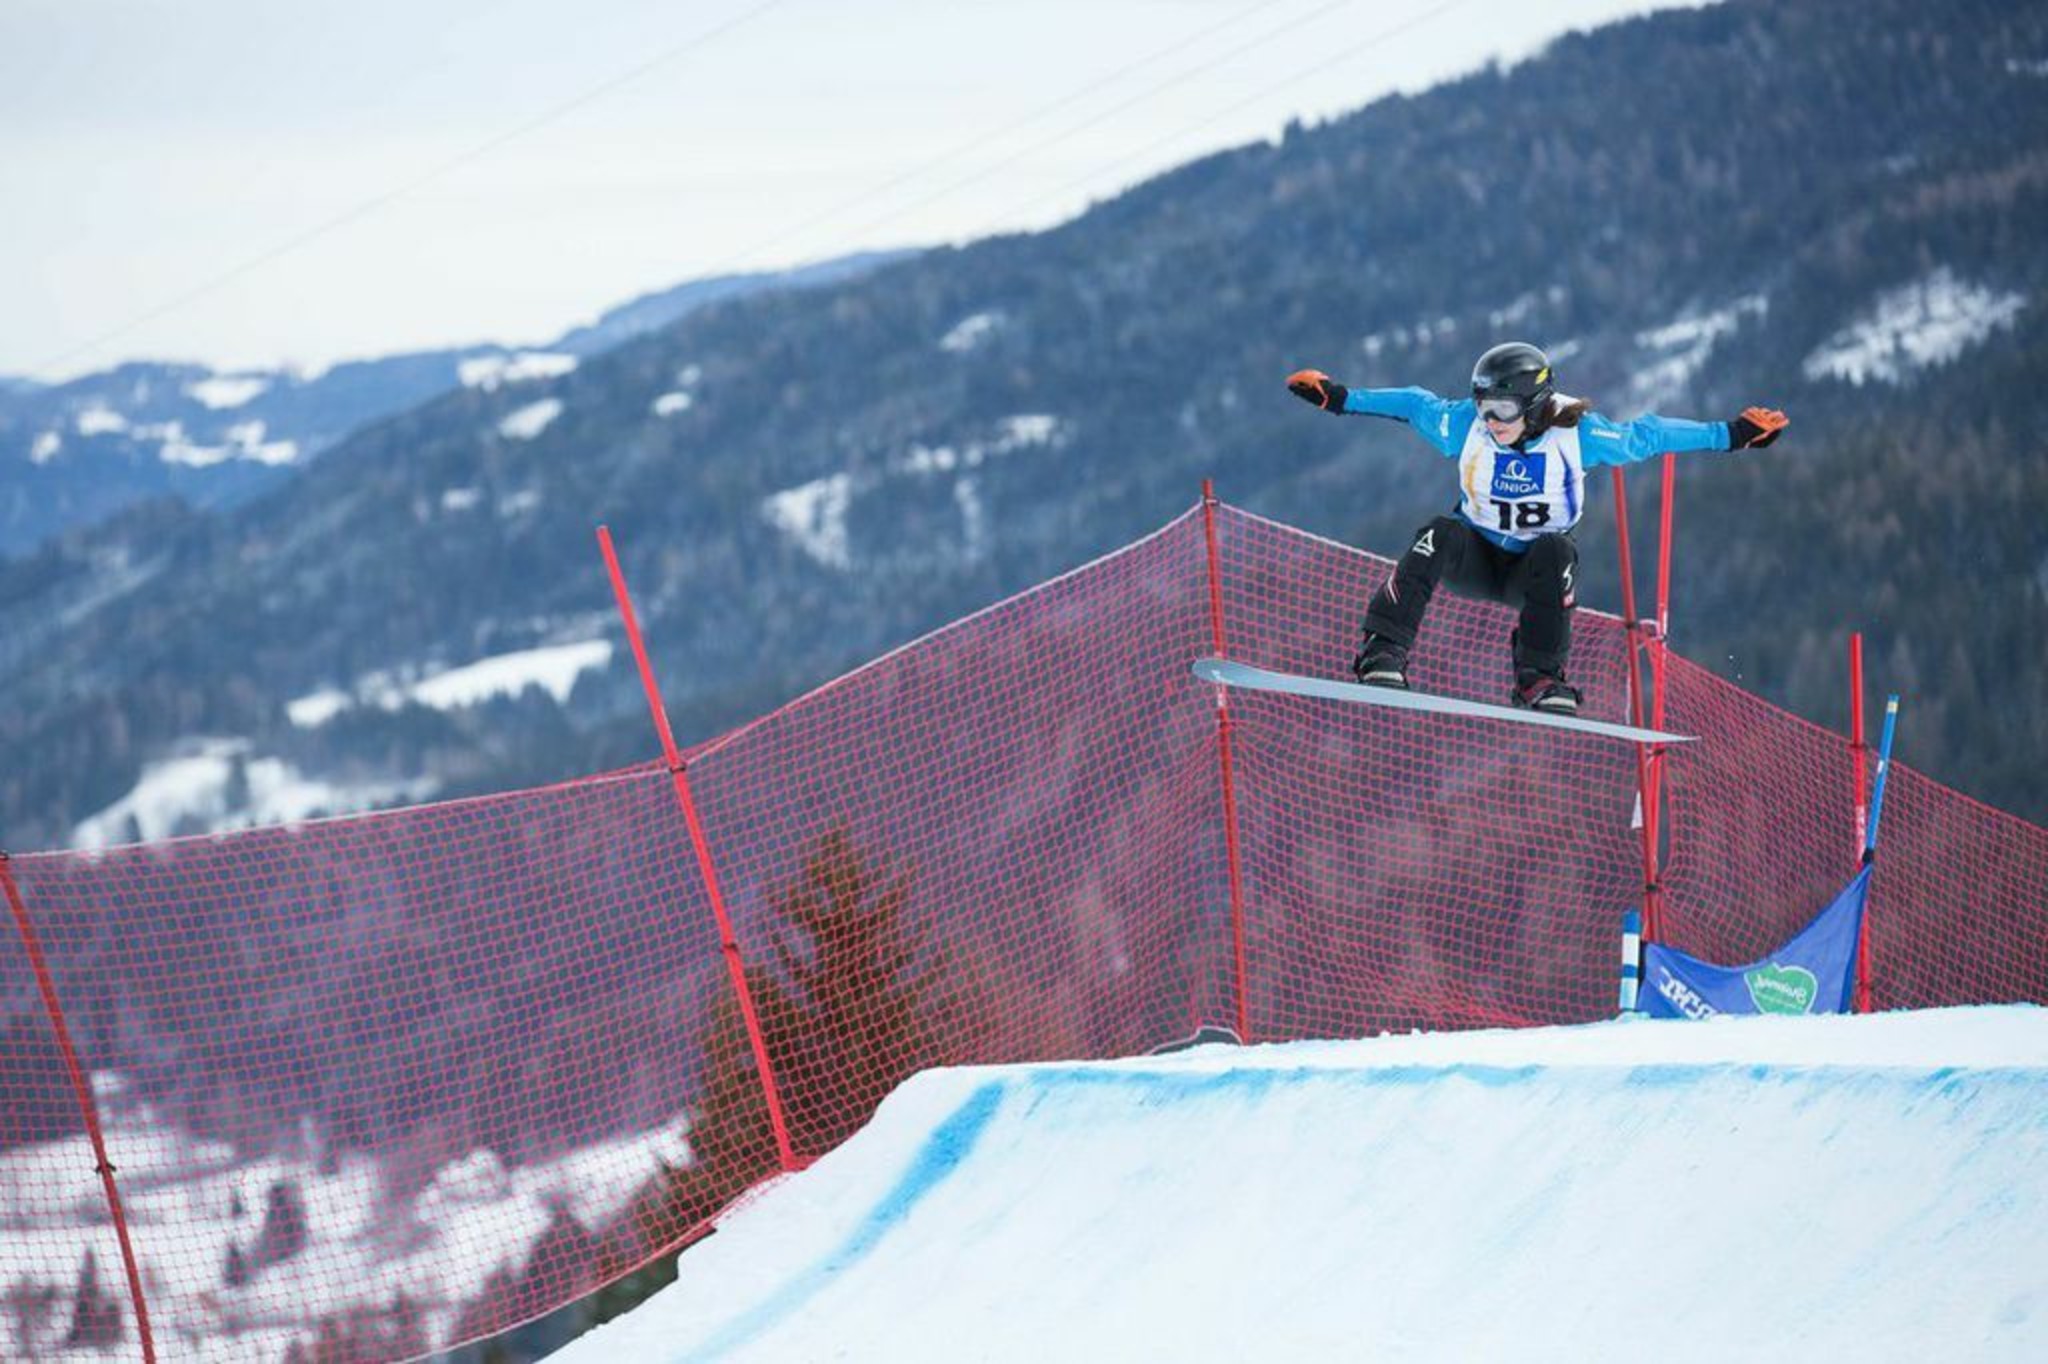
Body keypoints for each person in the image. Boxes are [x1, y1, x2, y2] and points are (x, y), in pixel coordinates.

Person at [1286, 342, 1787, 714]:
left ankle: (1539, 679)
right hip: (1476, 558)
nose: (1491, 419)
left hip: (1532, 575)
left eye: (1502, 409)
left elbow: (1647, 436)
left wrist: (1732, 434)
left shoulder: (1578, 435)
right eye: (1482, 405)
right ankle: (1383, 651)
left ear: (1533, 404)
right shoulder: (1469, 425)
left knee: (1556, 551)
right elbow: (1415, 404)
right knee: (1437, 531)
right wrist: (1339, 397)